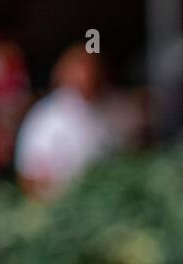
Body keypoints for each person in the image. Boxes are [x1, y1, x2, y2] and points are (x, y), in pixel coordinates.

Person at [15, 46, 118, 199]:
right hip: (59, 205)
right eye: (80, 71)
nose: (85, 77)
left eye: (91, 71)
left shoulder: (108, 109)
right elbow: (29, 173)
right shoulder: (48, 116)